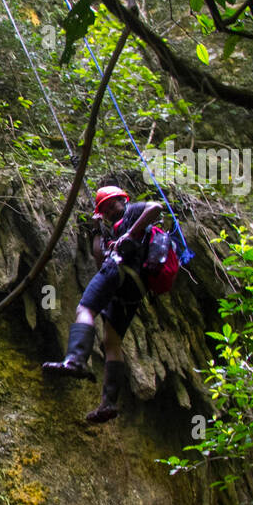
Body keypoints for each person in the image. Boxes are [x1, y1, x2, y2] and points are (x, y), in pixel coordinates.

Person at [42, 179, 162, 423]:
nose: (107, 211)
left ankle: (76, 360)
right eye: (104, 210)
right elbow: (98, 259)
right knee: (111, 342)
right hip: (130, 289)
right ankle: (108, 403)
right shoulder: (114, 229)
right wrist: (97, 229)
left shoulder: (133, 212)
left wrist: (130, 233)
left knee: (85, 308)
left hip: (119, 270)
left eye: (109, 206)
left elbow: (157, 207)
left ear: (122, 200)